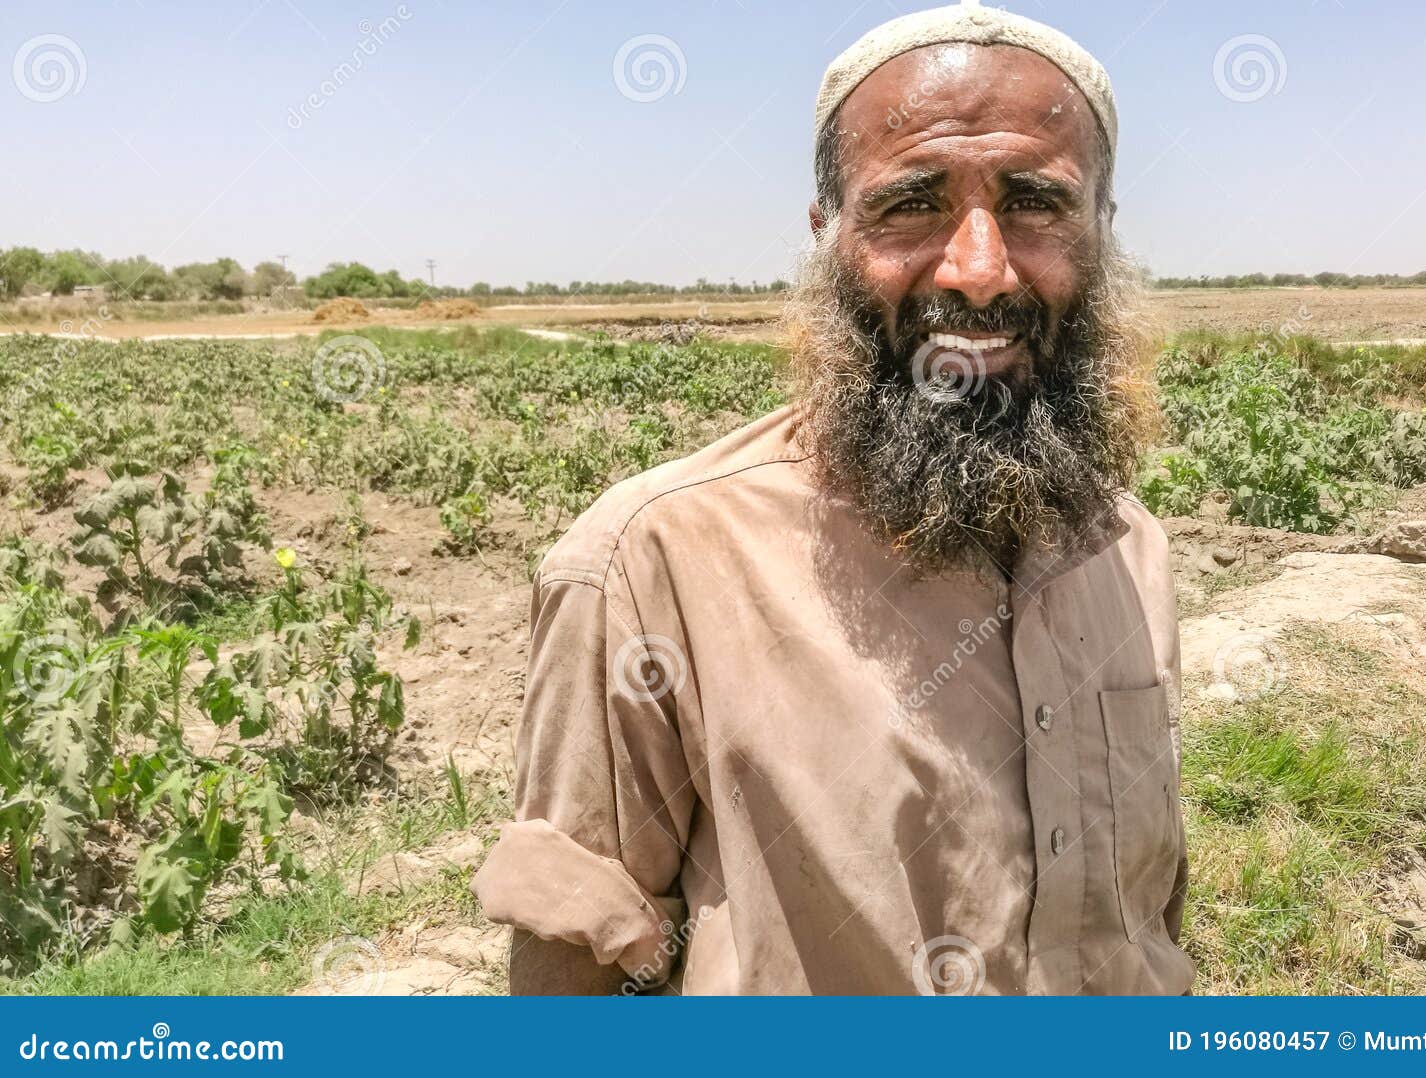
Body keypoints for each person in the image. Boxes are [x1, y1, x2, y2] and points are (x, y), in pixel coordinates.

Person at [471, 0, 1190, 995]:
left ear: (1099, 232)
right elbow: (573, 971)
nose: (978, 273)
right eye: (911, 205)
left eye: (1034, 203)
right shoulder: (654, 561)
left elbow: (1144, 918)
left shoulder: (1127, 546)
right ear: (828, 235)